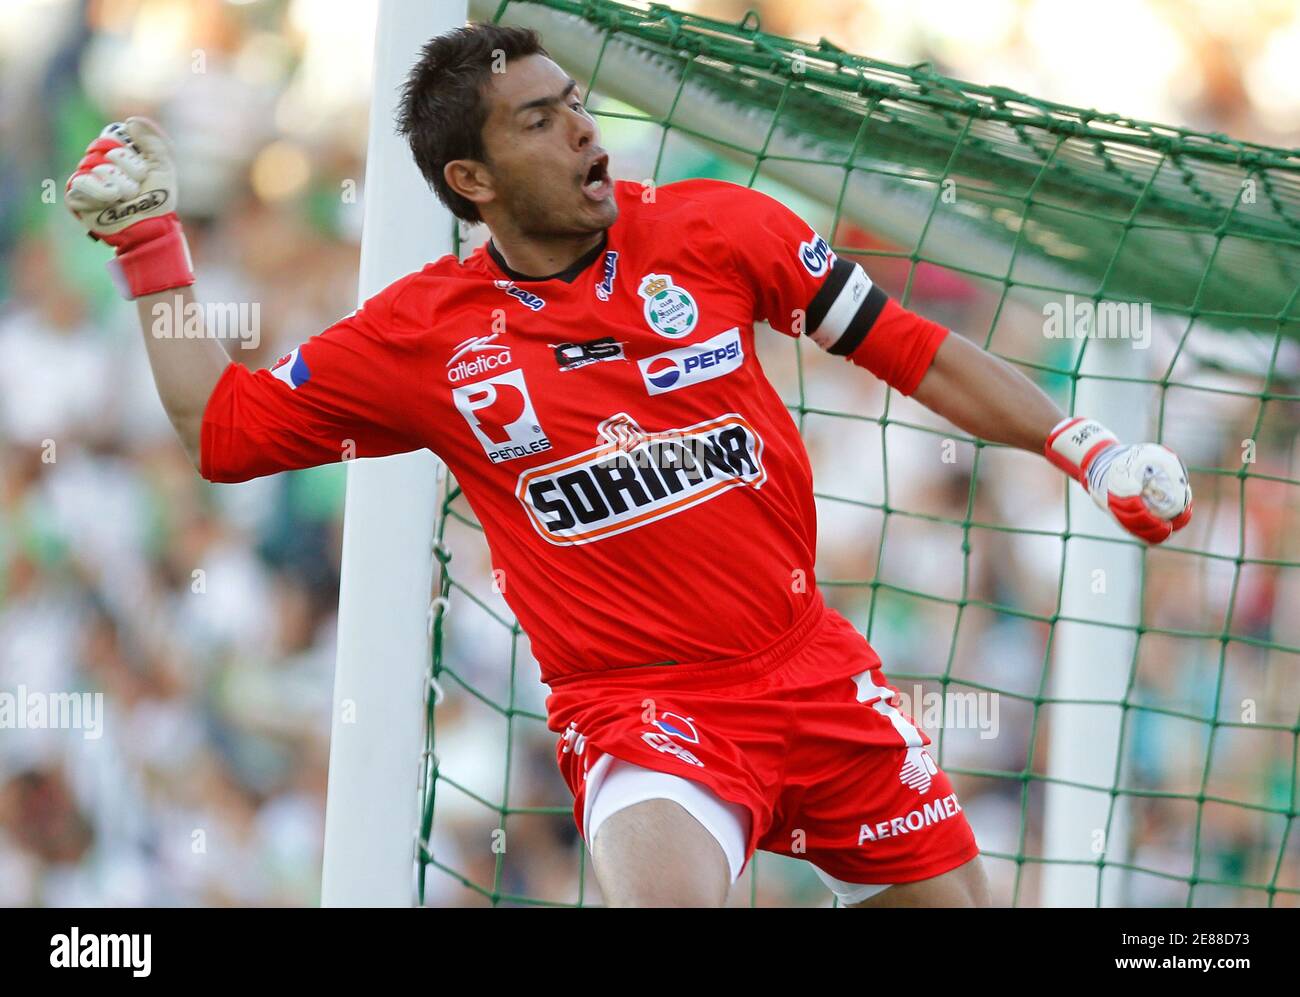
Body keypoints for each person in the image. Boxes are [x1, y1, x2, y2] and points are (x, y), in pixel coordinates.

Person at [63, 22, 1192, 908]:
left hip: (813, 672)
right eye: (542, 122)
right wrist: (153, 250)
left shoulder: (719, 229)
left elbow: (913, 351)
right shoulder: (423, 335)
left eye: (578, 108)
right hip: (644, 707)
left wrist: (1083, 448)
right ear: (472, 179)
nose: (586, 135)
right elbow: (225, 432)